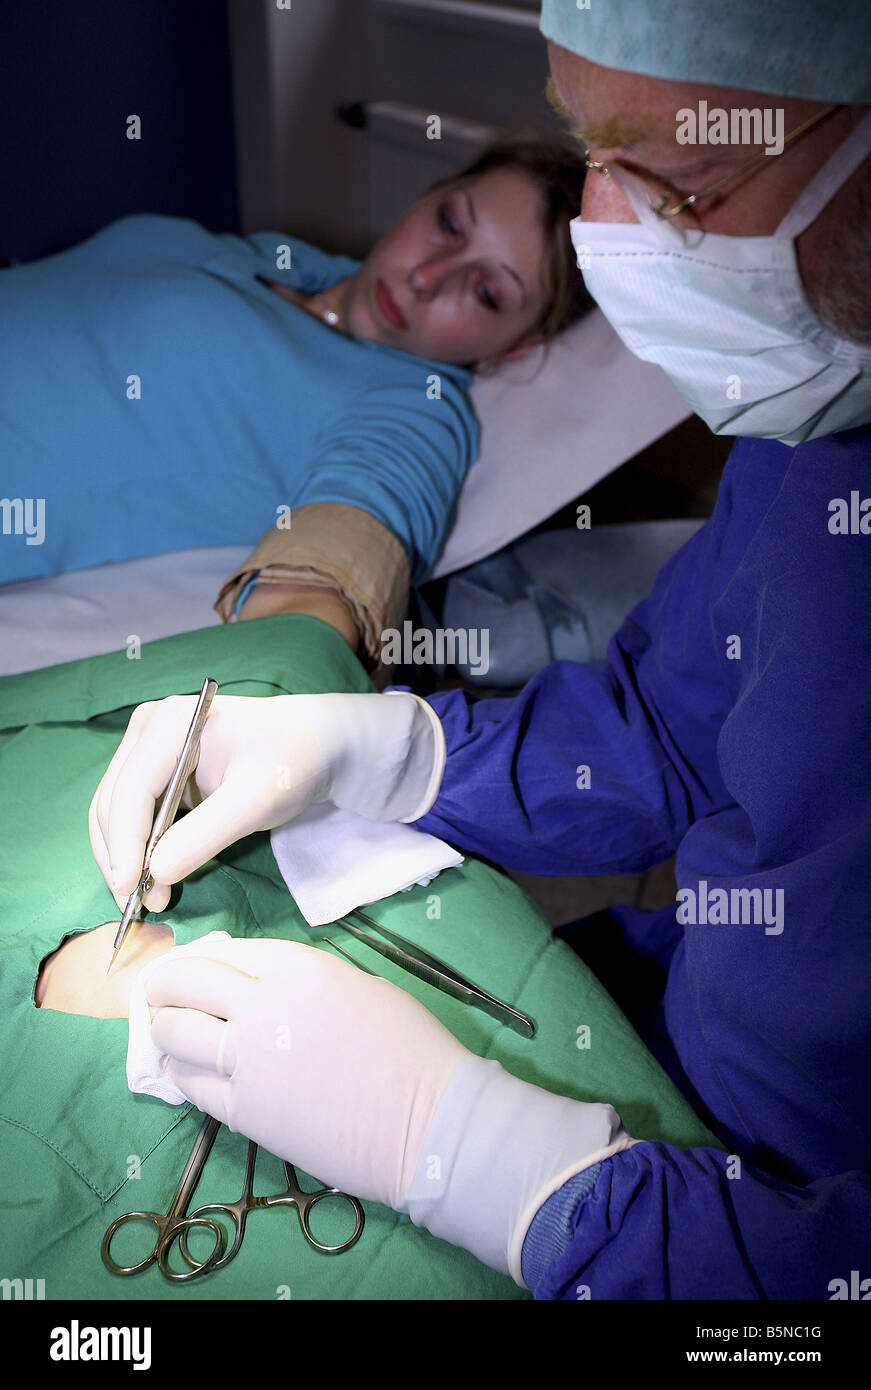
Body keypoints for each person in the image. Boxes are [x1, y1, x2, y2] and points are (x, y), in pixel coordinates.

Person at [90, 0, 871, 1299]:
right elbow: (673, 727)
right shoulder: (815, 421)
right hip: (680, 1021)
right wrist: (385, 753)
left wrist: (487, 1161)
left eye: (679, 185)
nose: (607, 229)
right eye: (588, 151)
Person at [0, 136, 590, 669]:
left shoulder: (412, 406)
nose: (429, 277)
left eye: (486, 293)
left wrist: (294, 657)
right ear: (428, 195)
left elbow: (356, 534)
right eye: (449, 224)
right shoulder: (286, 259)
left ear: (518, 349)